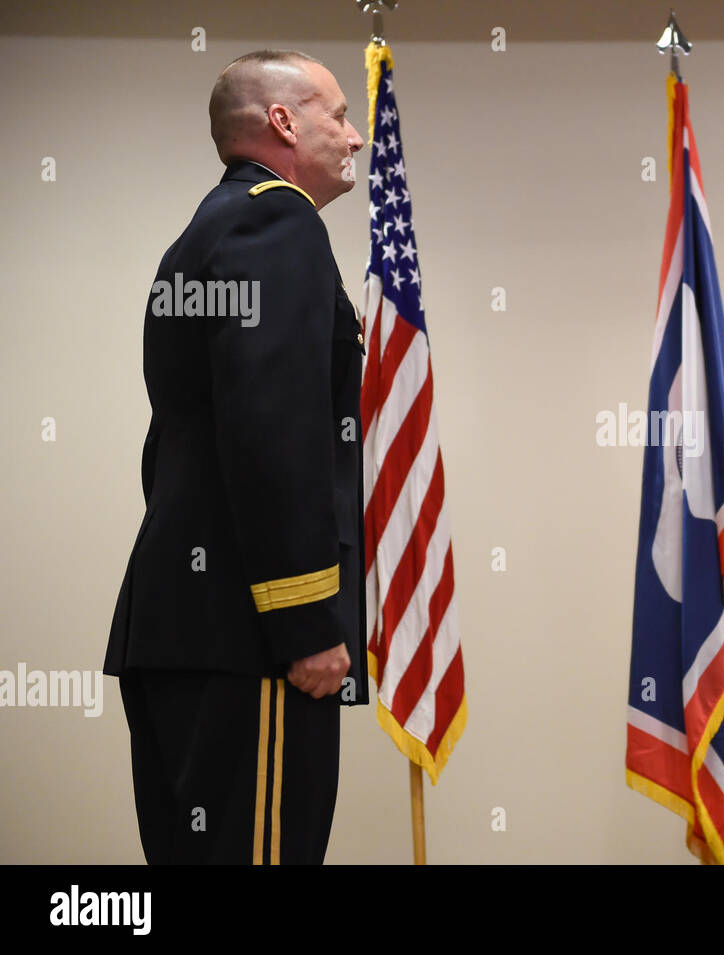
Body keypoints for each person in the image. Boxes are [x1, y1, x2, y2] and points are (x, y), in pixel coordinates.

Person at [104, 50, 367, 864]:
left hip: (193, 628)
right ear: (283, 123)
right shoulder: (274, 221)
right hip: (250, 641)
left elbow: (185, 445)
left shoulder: (211, 228)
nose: (354, 138)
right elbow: (271, 430)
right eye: (338, 115)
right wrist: (302, 621)